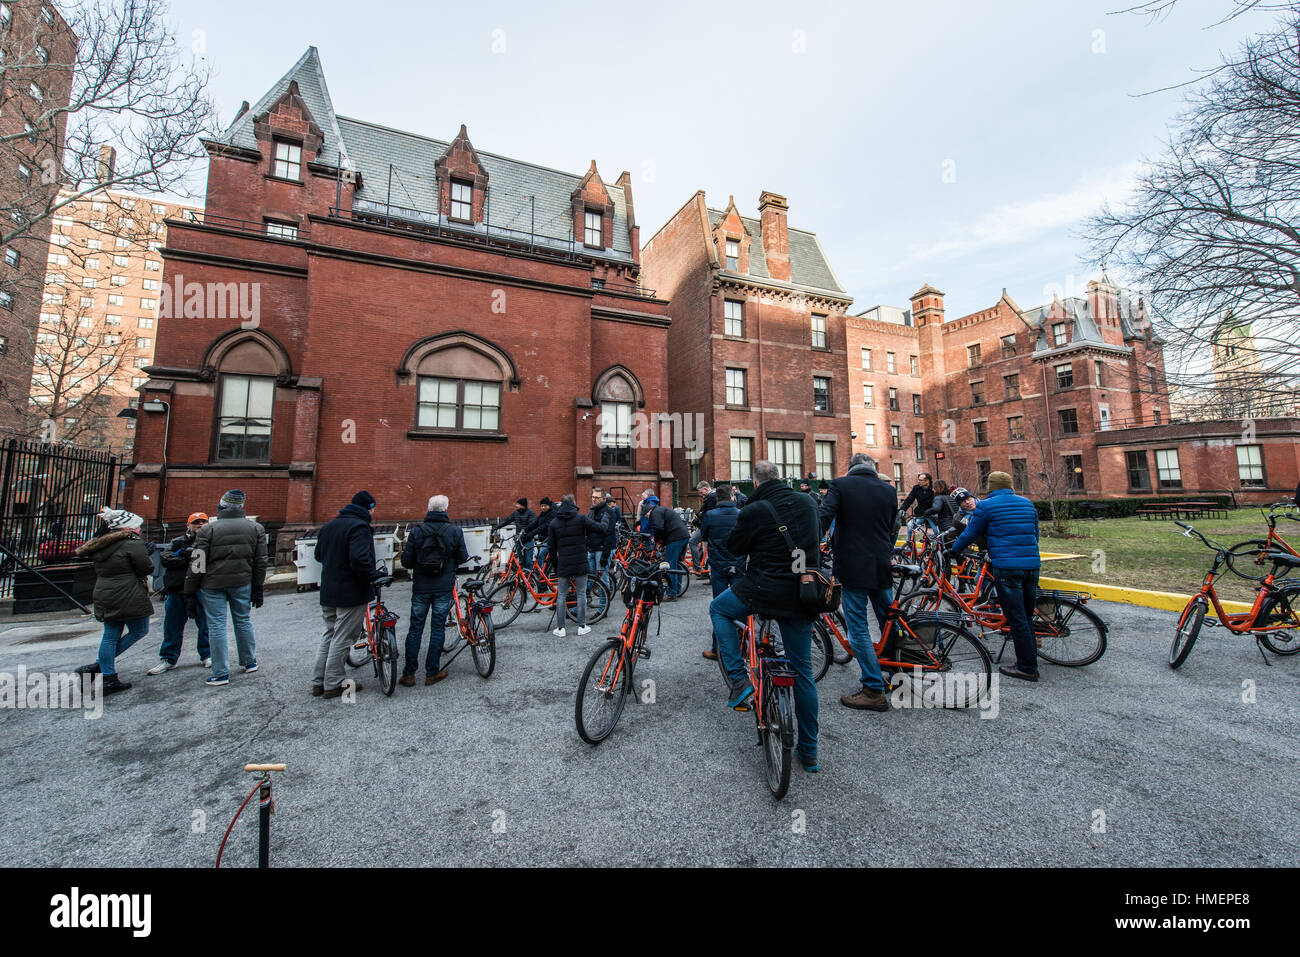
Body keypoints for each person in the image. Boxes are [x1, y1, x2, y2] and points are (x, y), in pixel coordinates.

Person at [709, 461, 822, 771]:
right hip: (803, 593)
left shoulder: (754, 509)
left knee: (718, 609)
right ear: (781, 479)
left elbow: (734, 546)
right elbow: (816, 541)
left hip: (762, 590)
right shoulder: (808, 502)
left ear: (755, 483)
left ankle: (738, 680)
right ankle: (809, 753)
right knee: (803, 672)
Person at [819, 453, 897, 712]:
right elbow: (893, 527)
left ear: (850, 467)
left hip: (853, 565)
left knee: (858, 627)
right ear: (873, 468)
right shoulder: (888, 490)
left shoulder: (840, 485)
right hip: (882, 562)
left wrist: (809, 546)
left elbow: (824, 517)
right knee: (889, 619)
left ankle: (873, 688)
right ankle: (894, 671)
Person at [950, 471, 1041, 681]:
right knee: (1026, 616)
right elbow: (1035, 534)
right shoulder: (1027, 504)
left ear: (990, 487)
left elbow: (970, 532)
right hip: (1031, 565)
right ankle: (1030, 659)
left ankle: (1027, 667)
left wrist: (954, 549)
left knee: (1016, 617)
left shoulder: (986, 506)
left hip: (1007, 566)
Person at [185, 489, 267, 688]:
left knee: (217, 626)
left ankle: (221, 673)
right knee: (243, 621)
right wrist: (257, 586)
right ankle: (249, 661)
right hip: (242, 582)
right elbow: (261, 561)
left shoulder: (207, 530)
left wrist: (189, 590)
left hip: (212, 585)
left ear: (221, 506)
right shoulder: (255, 528)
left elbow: (198, 563)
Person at [74, 508, 153, 694]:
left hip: (104, 592)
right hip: (128, 593)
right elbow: (145, 568)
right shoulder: (132, 543)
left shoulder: (100, 544)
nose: (140, 530)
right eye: (138, 527)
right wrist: (146, 554)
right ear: (129, 527)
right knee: (139, 630)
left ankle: (108, 676)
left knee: (110, 636)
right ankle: (98, 668)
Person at [312, 490, 381, 698]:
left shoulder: (329, 526)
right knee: (343, 636)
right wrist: (373, 575)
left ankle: (318, 681)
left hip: (329, 589)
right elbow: (360, 560)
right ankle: (333, 682)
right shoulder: (359, 527)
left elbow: (318, 555)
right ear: (368, 507)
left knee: (330, 633)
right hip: (350, 591)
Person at [400, 494, 469, 687]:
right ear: (446, 508)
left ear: (428, 508)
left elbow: (406, 561)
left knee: (415, 628)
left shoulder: (417, 532)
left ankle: (409, 674)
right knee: (438, 627)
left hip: (421, 586)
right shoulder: (454, 531)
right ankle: (432, 672)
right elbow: (463, 557)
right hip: (443, 586)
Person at [148, 512, 211, 674]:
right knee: (172, 625)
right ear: (188, 525)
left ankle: (207, 655)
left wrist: (188, 557)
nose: (200, 524)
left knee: (205, 624)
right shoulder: (178, 542)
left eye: (203, 522)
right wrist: (187, 556)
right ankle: (169, 658)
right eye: (196, 522)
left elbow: (207, 563)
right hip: (177, 589)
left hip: (200, 589)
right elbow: (166, 559)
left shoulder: (210, 540)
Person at [699, 485, 743, 661]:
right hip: (738, 565)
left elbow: (704, 536)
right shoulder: (741, 514)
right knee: (740, 604)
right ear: (732, 497)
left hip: (718, 566)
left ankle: (717, 649)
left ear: (718, 499)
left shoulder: (710, 515)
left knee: (719, 607)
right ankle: (743, 646)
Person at [547, 494, 599, 637]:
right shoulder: (581, 518)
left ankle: (560, 628)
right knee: (581, 593)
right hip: (580, 561)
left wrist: (556, 565)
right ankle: (582, 626)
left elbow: (551, 548)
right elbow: (598, 528)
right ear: (573, 503)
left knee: (562, 595)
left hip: (564, 562)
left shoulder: (554, 523)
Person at [648, 497, 690, 598]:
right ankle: (677, 589)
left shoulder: (655, 512)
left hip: (675, 538)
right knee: (677, 564)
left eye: (646, 515)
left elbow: (658, 528)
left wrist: (657, 540)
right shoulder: (661, 510)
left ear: (649, 511)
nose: (647, 517)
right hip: (683, 536)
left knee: (670, 565)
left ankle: (671, 593)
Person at [586, 489, 617, 586]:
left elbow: (609, 533)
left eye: (597, 498)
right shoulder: (592, 510)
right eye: (593, 497)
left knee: (603, 580)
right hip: (592, 549)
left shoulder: (608, 512)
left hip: (602, 549)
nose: (594, 499)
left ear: (603, 499)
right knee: (590, 577)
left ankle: (604, 601)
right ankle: (588, 598)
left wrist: (605, 555)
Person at [688, 482, 717, 575]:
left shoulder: (711, 497)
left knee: (692, 542)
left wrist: (698, 517)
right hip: (708, 526)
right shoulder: (711, 497)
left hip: (707, 527)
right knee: (704, 548)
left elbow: (707, 514)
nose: (701, 494)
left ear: (706, 489)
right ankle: (704, 569)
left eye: (701, 492)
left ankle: (697, 568)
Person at [523, 497, 556, 571]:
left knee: (541, 555)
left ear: (549, 506)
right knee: (540, 556)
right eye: (542, 506)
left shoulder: (552, 514)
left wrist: (531, 534)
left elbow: (544, 526)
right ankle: (542, 574)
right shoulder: (543, 514)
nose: (543, 507)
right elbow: (535, 523)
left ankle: (538, 574)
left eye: (545, 505)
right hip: (543, 539)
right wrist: (524, 530)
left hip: (550, 539)